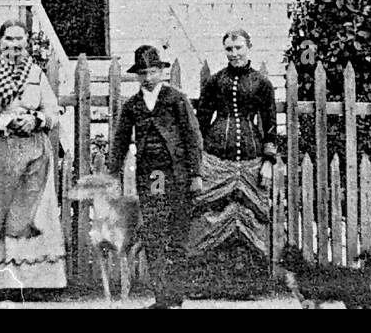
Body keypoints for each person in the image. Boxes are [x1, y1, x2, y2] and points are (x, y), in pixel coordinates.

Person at [0, 19, 67, 293]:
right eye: (9, 39)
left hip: (32, 153)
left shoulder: (36, 75)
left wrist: (36, 120)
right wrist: (5, 121)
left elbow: (54, 112)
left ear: (26, 44)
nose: (14, 46)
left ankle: (35, 282)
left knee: (30, 214)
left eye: (20, 40)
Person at [107, 45, 204, 309]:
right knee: (155, 232)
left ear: (162, 72)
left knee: (178, 235)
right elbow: (120, 142)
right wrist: (112, 174)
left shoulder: (176, 99)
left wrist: (196, 174)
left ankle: (176, 295)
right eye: (143, 73)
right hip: (153, 175)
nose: (148, 78)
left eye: (152, 72)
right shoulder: (132, 105)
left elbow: (193, 138)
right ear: (137, 76)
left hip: (179, 173)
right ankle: (162, 298)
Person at [189, 28, 278, 281]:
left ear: (249, 47)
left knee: (250, 217)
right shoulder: (215, 81)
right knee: (210, 216)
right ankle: (211, 281)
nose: (234, 53)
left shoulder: (262, 83)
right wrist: (198, 161)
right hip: (217, 160)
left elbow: (270, 125)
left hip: (251, 159)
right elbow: (201, 123)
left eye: (238, 47)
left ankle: (249, 283)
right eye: (229, 48)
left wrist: (268, 162)